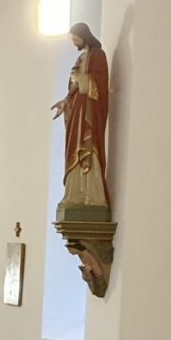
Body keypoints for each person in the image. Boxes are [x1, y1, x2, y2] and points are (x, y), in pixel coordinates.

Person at [52, 22, 110, 209]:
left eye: (75, 38)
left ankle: (92, 196)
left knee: (87, 147)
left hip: (89, 113)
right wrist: (65, 103)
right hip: (77, 111)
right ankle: (75, 195)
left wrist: (82, 79)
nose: (74, 42)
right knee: (74, 149)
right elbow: (73, 90)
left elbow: (99, 83)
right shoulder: (81, 57)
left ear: (84, 35)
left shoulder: (98, 56)